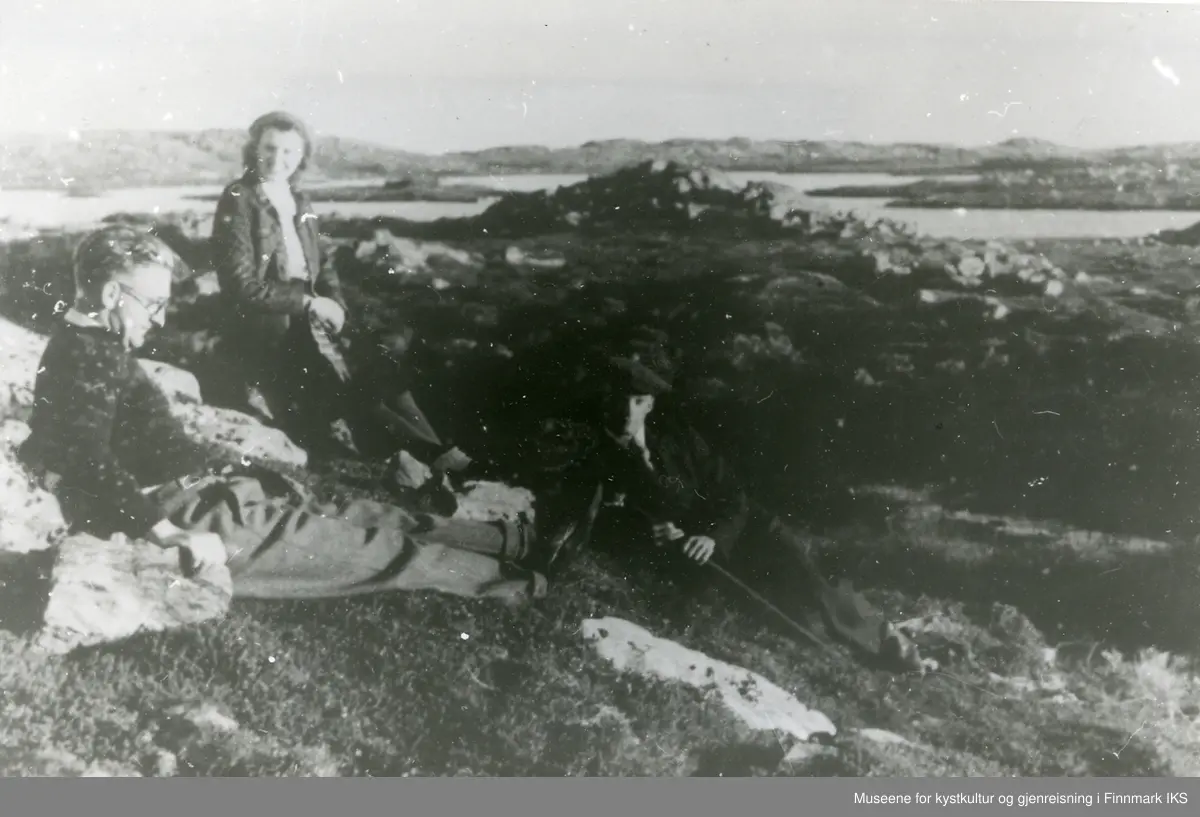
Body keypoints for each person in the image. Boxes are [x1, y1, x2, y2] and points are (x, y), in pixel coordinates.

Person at [17, 225, 546, 603]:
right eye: (153, 304)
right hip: (186, 513)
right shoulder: (82, 356)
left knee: (360, 518)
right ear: (112, 293)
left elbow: (80, 442)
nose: (158, 321)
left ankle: (511, 541)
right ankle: (525, 584)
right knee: (365, 547)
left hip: (205, 491)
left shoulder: (93, 346)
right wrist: (168, 535)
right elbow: (87, 459)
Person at [540, 355, 923, 673]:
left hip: (740, 528)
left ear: (651, 404)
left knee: (810, 579)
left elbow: (732, 495)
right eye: (621, 399)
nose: (627, 410)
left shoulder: (679, 441)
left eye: (638, 401)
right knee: (781, 614)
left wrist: (712, 536)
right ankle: (849, 664)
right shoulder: (593, 455)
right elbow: (596, 519)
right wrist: (646, 530)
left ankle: (891, 644)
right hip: (688, 556)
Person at [209, 110, 471, 475]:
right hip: (267, 319)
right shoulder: (239, 197)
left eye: (289, 152)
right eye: (269, 148)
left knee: (379, 365)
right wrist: (309, 303)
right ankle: (436, 459)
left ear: (302, 156)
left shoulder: (299, 199)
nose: (278, 159)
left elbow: (323, 263)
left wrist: (337, 308)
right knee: (341, 381)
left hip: (310, 308)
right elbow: (241, 285)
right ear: (254, 148)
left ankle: (442, 453)